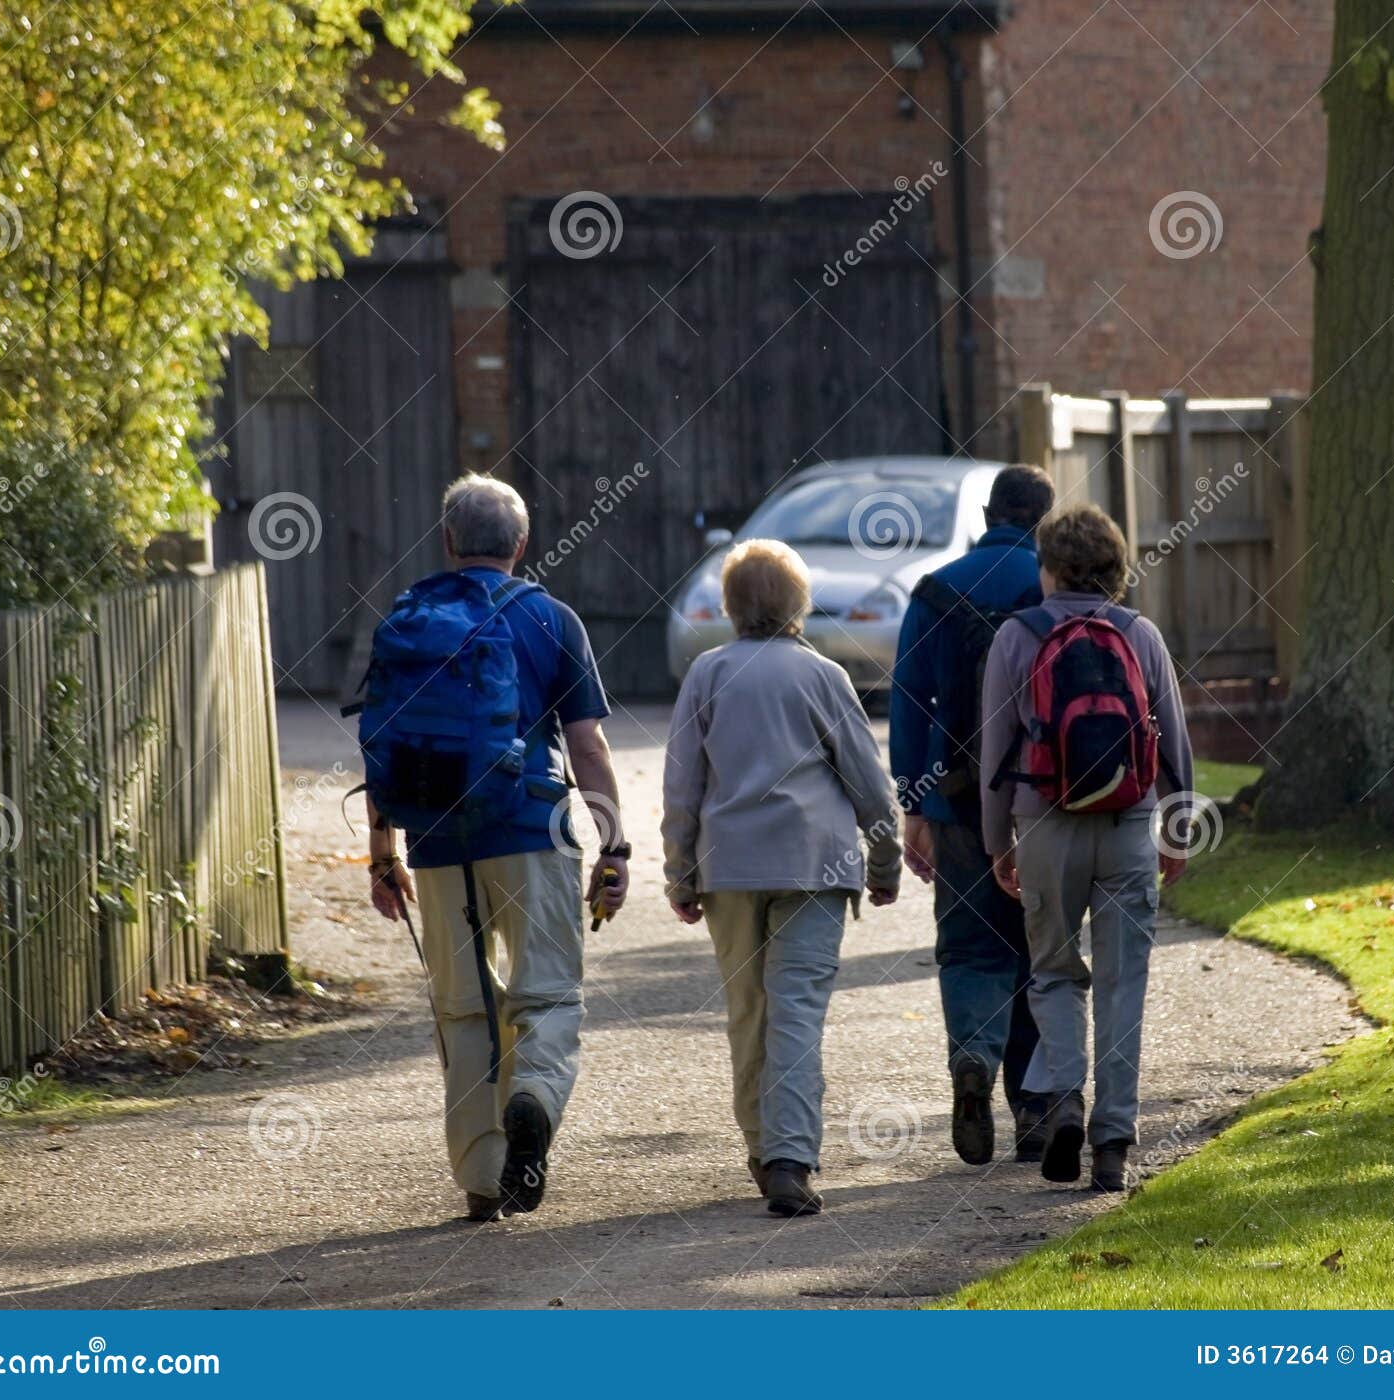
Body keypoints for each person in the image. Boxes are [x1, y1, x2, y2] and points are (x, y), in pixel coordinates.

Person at [366, 472, 629, 1223]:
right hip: (532, 831)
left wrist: (383, 852)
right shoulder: (552, 619)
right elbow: (590, 747)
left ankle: (484, 1180)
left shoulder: (412, 619)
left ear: (448, 542)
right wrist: (616, 847)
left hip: (438, 839)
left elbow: (385, 743)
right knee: (544, 993)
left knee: (463, 1009)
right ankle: (535, 1098)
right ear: (522, 543)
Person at [662, 539, 901, 1217]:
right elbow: (869, 784)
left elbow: (682, 786)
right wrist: (883, 865)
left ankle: (764, 1151)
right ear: (800, 602)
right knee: (795, 1010)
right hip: (814, 867)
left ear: (732, 607)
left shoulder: (706, 676)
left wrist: (680, 872)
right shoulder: (822, 676)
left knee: (749, 1013)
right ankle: (792, 1156)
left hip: (730, 869)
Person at [979, 502, 1193, 1193]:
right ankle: (1113, 1143)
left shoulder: (1016, 637)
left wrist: (996, 842)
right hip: (1128, 824)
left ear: (1048, 568)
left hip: (1044, 823)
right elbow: (1175, 742)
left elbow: (995, 750)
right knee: (1124, 983)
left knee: (1054, 973)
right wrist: (1178, 829)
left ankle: (1064, 1097)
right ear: (1116, 568)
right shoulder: (1140, 633)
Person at [889, 464, 1055, 1168]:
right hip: (1048, 803)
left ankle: (973, 1061)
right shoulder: (1056, 591)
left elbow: (906, 701)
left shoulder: (933, 590)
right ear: (1043, 519)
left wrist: (913, 803)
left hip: (956, 798)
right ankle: (1038, 1109)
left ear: (986, 513)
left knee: (969, 946)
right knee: (1040, 952)